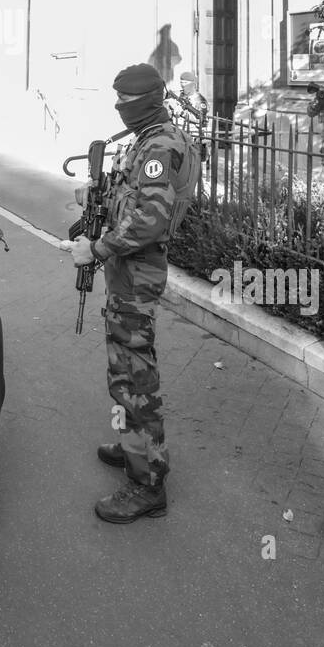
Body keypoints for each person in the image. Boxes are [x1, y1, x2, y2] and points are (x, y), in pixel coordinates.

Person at [62, 63, 200, 525]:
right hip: (129, 272)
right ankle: (134, 449)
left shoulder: (159, 144)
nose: (118, 108)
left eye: (124, 101)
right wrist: (93, 195)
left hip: (137, 274)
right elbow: (134, 198)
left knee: (134, 377)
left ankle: (147, 483)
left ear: (142, 102)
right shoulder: (148, 139)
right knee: (125, 366)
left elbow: (149, 220)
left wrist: (95, 249)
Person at [165, 70, 209, 159]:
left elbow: (201, 119)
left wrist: (182, 113)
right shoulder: (177, 95)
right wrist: (170, 109)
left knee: (193, 163)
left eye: (185, 82)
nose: (183, 84)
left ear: (193, 83)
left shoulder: (200, 100)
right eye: (181, 82)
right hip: (177, 135)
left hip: (193, 136)